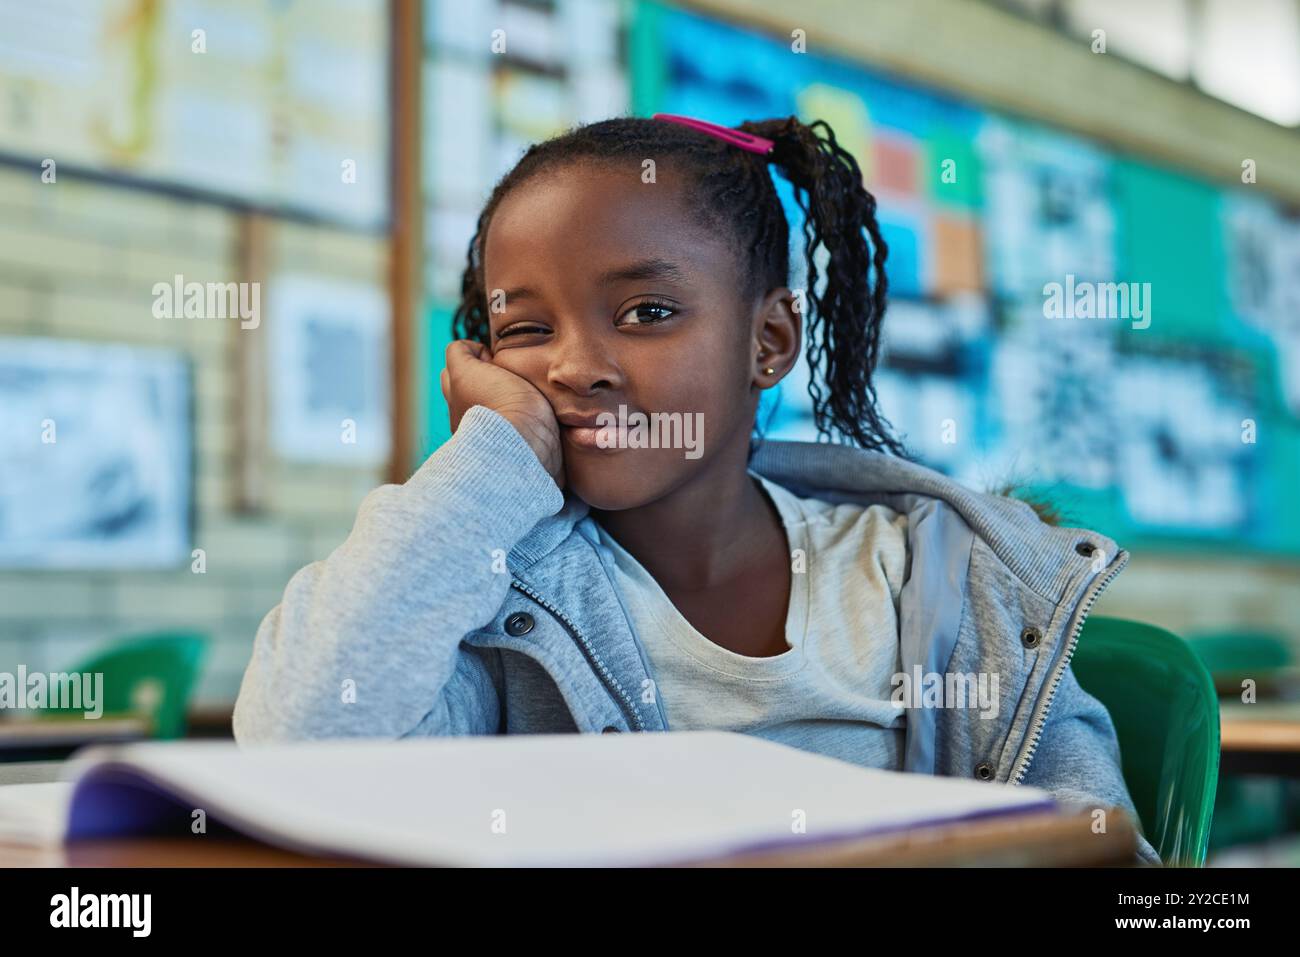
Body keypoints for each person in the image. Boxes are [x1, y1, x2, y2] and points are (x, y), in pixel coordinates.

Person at [233, 114, 1160, 865]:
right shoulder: (494, 594)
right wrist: (495, 458)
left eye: (647, 313)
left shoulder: (947, 583)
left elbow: (1103, 852)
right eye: (524, 330)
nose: (575, 366)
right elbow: (304, 740)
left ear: (768, 341)